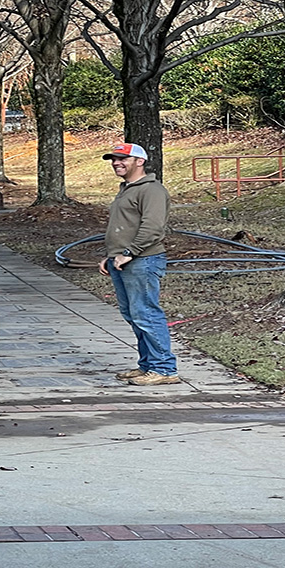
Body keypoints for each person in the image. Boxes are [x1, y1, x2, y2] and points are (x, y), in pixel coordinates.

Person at [97, 142, 179, 386]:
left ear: (140, 161)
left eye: (122, 159)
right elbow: (124, 227)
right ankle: (148, 366)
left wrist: (129, 252)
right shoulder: (127, 189)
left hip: (142, 260)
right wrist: (111, 254)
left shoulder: (151, 190)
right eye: (113, 159)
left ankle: (164, 369)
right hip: (122, 260)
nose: (116, 163)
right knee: (133, 315)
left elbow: (153, 228)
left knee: (146, 314)